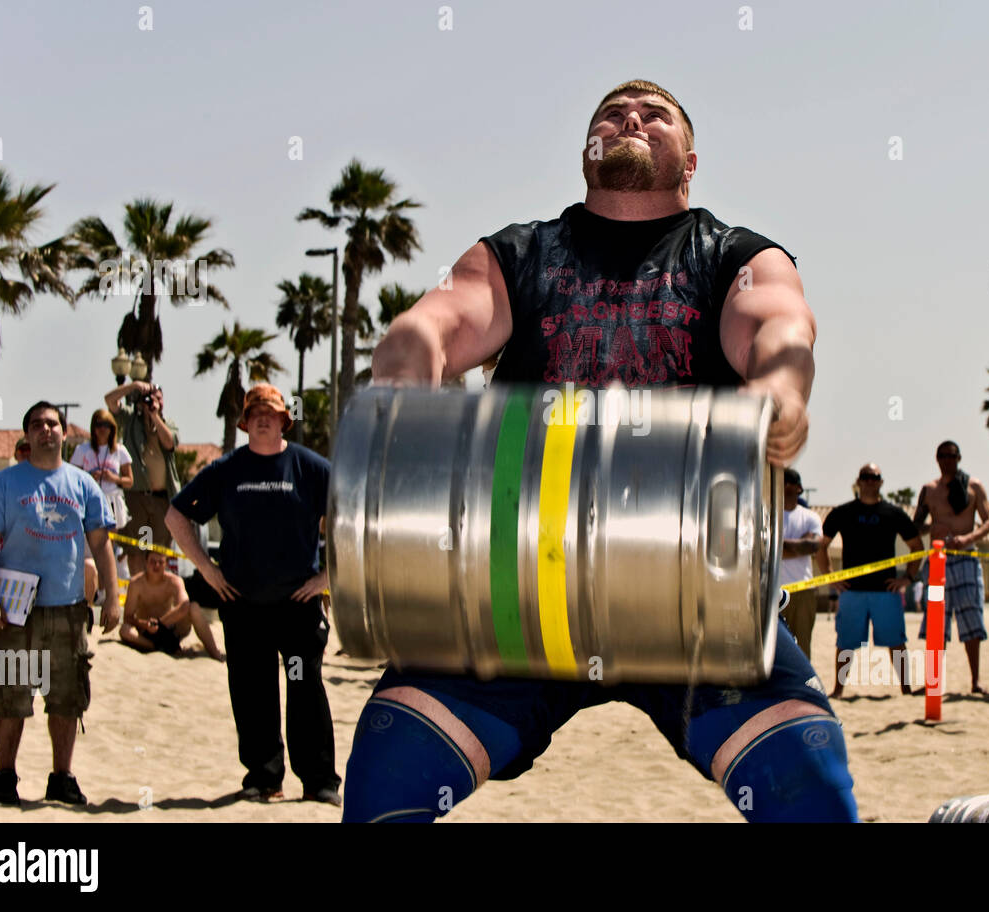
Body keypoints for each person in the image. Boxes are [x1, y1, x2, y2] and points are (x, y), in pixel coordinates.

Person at [342, 80, 855, 824]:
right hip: (521, 588)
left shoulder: (737, 255)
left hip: (695, 596)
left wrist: (780, 386)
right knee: (387, 772)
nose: (631, 119)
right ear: (586, 149)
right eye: (611, 114)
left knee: (809, 782)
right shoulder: (518, 253)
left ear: (691, 160)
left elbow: (778, 324)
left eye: (655, 115)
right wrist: (406, 365)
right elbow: (440, 320)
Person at [165, 384, 340, 805]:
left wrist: (329, 577)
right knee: (253, 691)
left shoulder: (311, 468)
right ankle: (263, 778)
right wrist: (207, 570)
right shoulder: (226, 470)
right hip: (242, 604)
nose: (263, 417)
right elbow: (175, 515)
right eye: (255, 411)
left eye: (272, 411)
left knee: (304, 686)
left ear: (284, 419)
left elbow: (354, 514)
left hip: (298, 605)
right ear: (245, 422)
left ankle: (319, 781)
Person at [0, 401, 119, 806]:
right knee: (9, 696)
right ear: (28, 434)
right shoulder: (3, 484)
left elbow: (101, 543)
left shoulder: (83, 485)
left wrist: (112, 596)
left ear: (64, 433)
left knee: (67, 697)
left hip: (67, 608)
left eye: (52, 423)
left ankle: (62, 777)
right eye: (37, 425)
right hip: (14, 611)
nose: (46, 430)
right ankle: (5, 776)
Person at [817, 463, 923, 698]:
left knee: (896, 642)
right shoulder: (842, 513)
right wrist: (830, 577)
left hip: (886, 591)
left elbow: (917, 547)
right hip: (852, 591)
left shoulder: (894, 513)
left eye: (874, 477)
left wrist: (908, 577)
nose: (869, 481)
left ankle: (906, 689)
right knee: (845, 642)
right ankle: (838, 690)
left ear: (881, 482)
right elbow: (821, 546)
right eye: (865, 477)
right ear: (858, 480)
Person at [913, 441, 989, 695]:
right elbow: (916, 526)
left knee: (971, 617)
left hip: (967, 557)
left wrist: (967, 538)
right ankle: (933, 681)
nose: (947, 460)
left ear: (959, 457)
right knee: (936, 621)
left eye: (952, 456)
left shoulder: (974, 486)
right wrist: (932, 529)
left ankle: (975, 680)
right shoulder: (929, 490)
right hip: (938, 561)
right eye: (943, 456)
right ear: (936, 459)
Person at [105, 381, 181, 574]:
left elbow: (169, 443)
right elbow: (110, 400)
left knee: (158, 552)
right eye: (149, 398)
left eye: (158, 398)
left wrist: (155, 416)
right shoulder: (130, 420)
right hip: (137, 498)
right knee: (138, 550)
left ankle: (156, 598)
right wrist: (133, 386)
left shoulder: (169, 424)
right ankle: (139, 594)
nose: (153, 402)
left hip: (162, 499)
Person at [120, 549, 223, 660]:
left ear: (166, 564)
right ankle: (156, 647)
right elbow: (127, 617)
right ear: (145, 562)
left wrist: (160, 623)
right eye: (152, 561)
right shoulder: (136, 583)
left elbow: (185, 605)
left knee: (194, 608)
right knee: (125, 630)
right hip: (145, 631)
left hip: (168, 629)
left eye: (160, 562)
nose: (156, 565)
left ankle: (215, 653)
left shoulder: (174, 581)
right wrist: (145, 624)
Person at [779, 467, 822, 658]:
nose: (783, 486)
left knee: (802, 645)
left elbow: (813, 546)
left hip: (802, 590)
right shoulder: (766, 515)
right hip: (773, 590)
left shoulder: (810, 517)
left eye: (788, 482)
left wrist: (779, 544)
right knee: (774, 646)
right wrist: (798, 544)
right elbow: (763, 549)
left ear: (798, 487)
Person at [70, 409, 133, 531]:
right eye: (99, 425)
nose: (102, 429)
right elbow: (73, 479)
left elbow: (130, 481)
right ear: (93, 427)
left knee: (111, 542)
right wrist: (89, 478)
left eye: (106, 425)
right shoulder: (82, 449)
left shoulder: (119, 450)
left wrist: (113, 478)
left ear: (112, 428)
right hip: (90, 499)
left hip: (112, 500)